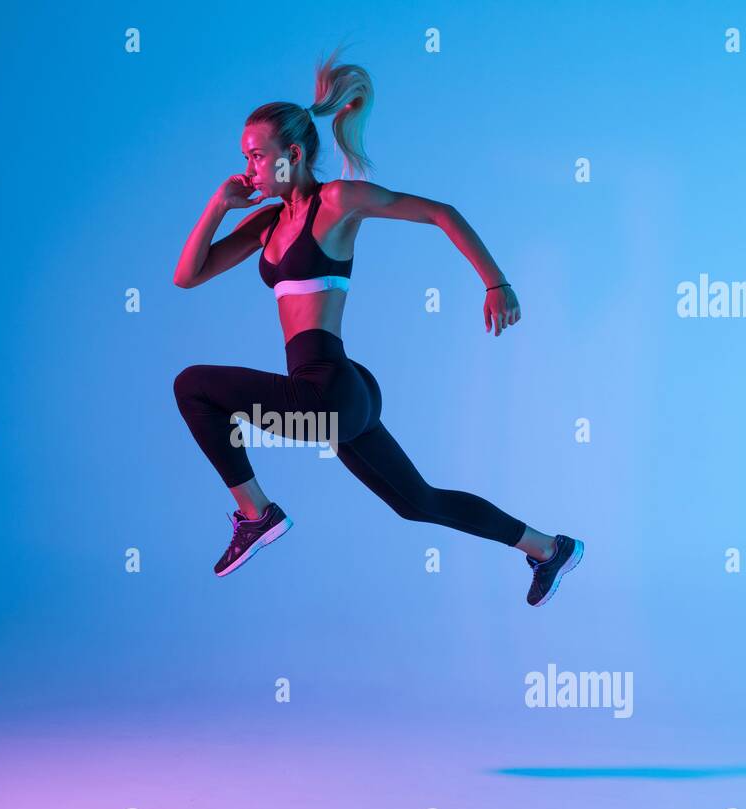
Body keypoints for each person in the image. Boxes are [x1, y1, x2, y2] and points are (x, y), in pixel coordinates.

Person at [172, 47, 583, 606]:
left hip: (328, 391)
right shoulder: (268, 223)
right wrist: (220, 205)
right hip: (342, 393)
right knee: (418, 503)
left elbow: (439, 211)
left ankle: (257, 514)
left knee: (192, 385)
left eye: (258, 157)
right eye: (246, 159)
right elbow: (187, 276)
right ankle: (547, 548)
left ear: (292, 153)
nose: (249, 170)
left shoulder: (336, 202)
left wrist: (496, 283)